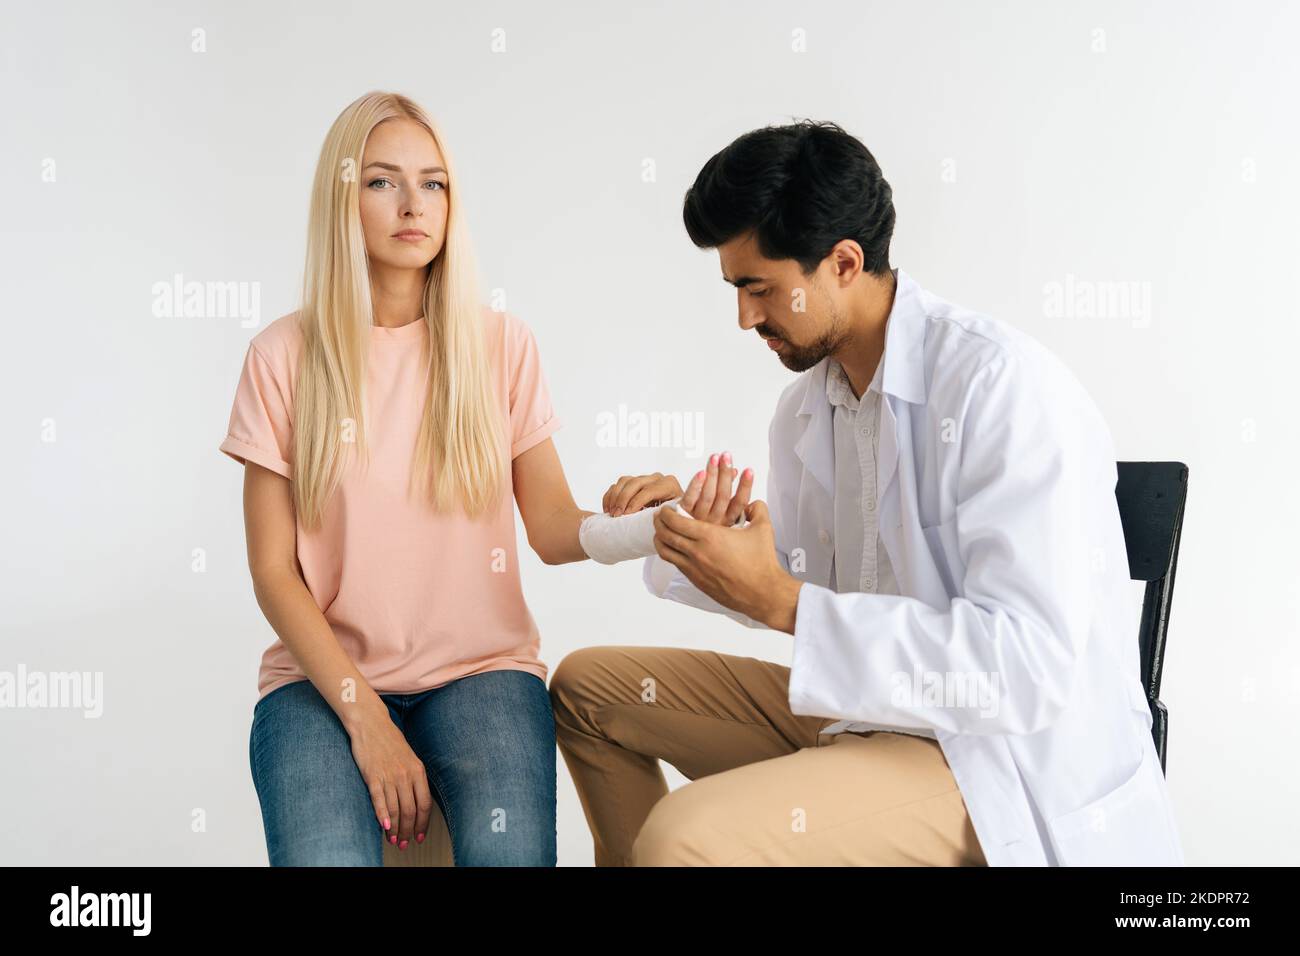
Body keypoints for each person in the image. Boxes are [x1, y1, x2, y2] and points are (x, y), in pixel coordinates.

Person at [549, 120, 1186, 867]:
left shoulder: (1000, 386)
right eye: (735, 289)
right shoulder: (807, 406)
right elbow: (799, 571)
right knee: (587, 690)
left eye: (759, 288)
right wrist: (699, 538)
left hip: (984, 758)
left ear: (844, 263)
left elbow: (1025, 668)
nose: (745, 318)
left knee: (682, 838)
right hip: (862, 715)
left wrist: (783, 604)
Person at [219, 90, 700, 866]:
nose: (414, 204)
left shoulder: (501, 346)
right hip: (318, 684)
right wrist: (365, 719)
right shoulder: (282, 357)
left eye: (433, 182)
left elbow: (550, 529)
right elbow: (274, 572)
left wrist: (649, 522)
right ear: (342, 197)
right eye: (382, 182)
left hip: (480, 670)